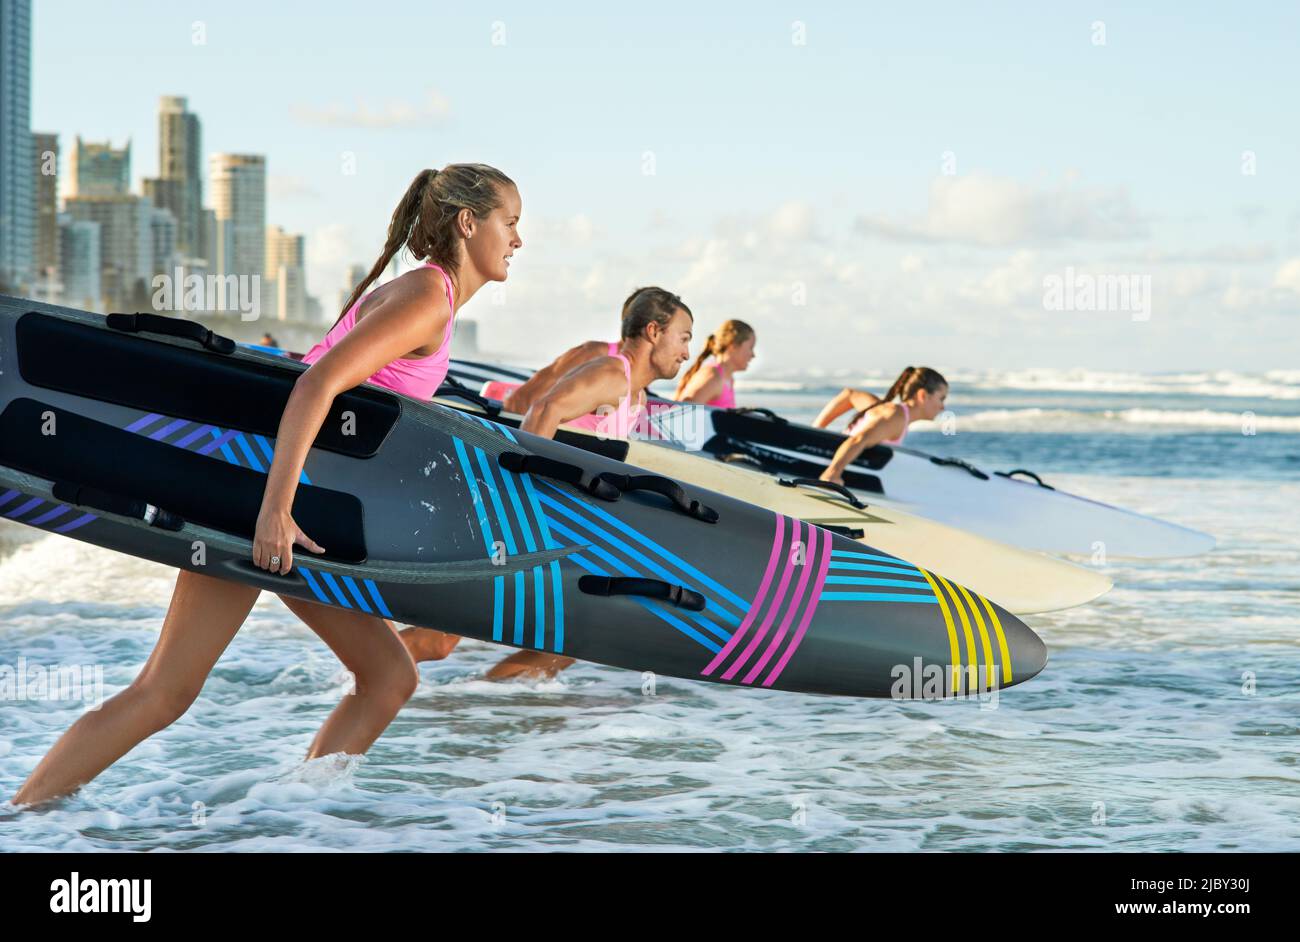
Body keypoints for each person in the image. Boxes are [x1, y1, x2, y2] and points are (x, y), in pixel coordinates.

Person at [13, 164, 522, 807]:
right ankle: (28, 818)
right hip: (267, 501)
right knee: (167, 692)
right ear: (468, 223)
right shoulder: (426, 298)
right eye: (511, 222)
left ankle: (297, 814)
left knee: (385, 676)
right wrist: (273, 511)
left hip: (281, 500)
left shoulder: (427, 295)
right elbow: (313, 385)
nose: (518, 240)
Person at [402, 287, 694, 679]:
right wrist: (519, 504)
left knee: (568, 638)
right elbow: (544, 409)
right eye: (684, 337)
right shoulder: (612, 374)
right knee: (440, 641)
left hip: (555, 523)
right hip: (521, 518)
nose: (687, 352)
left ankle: (483, 705)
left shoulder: (635, 394)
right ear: (655, 332)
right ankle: (377, 679)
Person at [817, 367, 948, 485]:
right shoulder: (895, 417)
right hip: (830, 466)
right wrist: (833, 473)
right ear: (923, 395)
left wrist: (817, 428)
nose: (943, 407)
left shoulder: (886, 409)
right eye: (941, 398)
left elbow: (850, 394)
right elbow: (858, 439)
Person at [672, 319, 755, 407]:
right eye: (750, 347)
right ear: (733, 346)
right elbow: (681, 413)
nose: (753, 355)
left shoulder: (728, 379)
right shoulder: (713, 378)